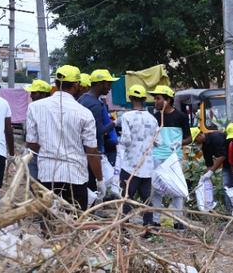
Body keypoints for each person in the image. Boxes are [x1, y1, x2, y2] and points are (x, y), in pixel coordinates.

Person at [25, 65, 101, 210]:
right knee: (75, 223)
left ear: (56, 84)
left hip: (47, 174)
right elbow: (91, 151)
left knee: (49, 221)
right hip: (75, 176)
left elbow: (31, 143)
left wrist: (48, 152)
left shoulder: (35, 108)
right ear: (76, 85)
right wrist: (100, 180)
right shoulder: (84, 113)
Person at [147, 84, 191, 229]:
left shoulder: (181, 117)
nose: (155, 101)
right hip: (157, 156)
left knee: (176, 188)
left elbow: (189, 138)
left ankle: (178, 221)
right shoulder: (154, 118)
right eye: (155, 99)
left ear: (168, 100)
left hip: (173, 159)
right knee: (156, 189)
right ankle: (156, 220)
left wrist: (178, 143)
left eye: (158, 98)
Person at [117, 85, 158, 220]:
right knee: (146, 199)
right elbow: (158, 141)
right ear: (144, 99)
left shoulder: (126, 116)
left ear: (130, 98)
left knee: (127, 197)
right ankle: (148, 227)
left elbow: (126, 140)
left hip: (130, 165)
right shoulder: (153, 119)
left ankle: (124, 226)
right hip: (147, 166)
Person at [80, 69, 120, 165]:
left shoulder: (83, 98)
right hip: (94, 151)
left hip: (83, 148)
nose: (110, 88)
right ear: (100, 84)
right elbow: (99, 131)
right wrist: (115, 123)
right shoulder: (95, 104)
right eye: (108, 84)